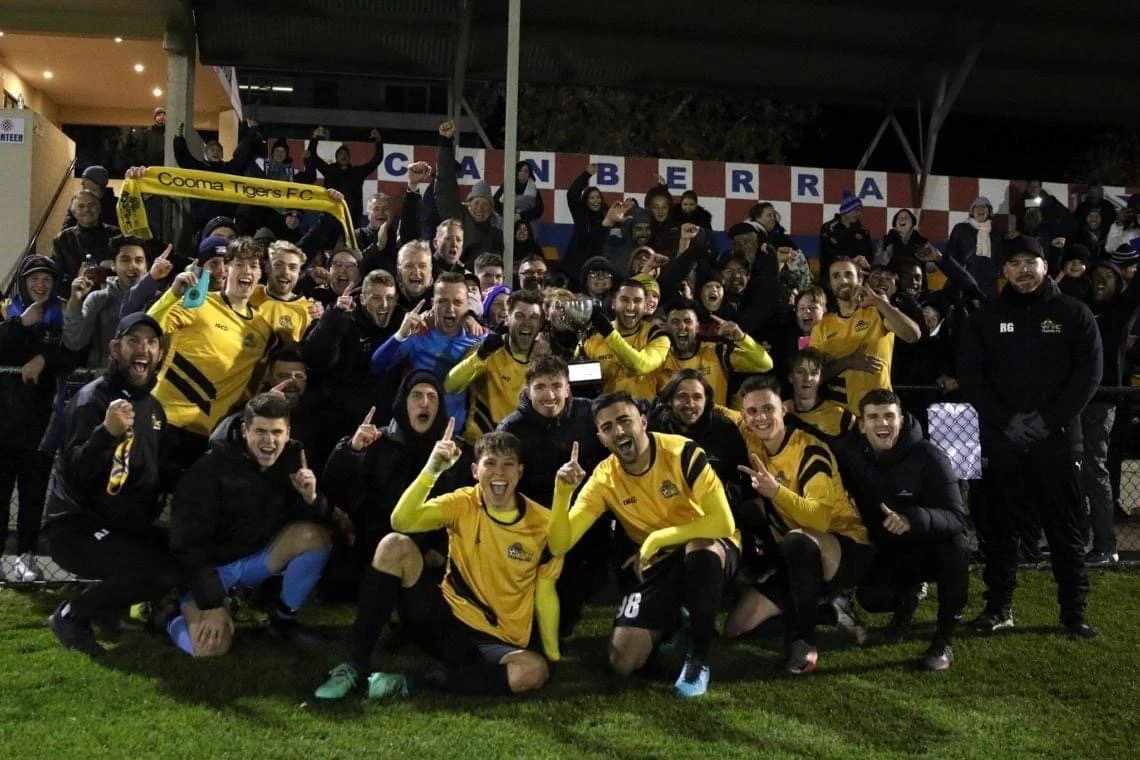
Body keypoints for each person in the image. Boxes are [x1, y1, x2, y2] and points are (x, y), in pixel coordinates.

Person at [315, 427, 560, 700]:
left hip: (499, 641)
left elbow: (546, 590)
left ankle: (411, 683)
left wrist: (552, 652)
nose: (499, 473)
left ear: (520, 472)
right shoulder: (464, 502)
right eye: (490, 463)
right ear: (475, 471)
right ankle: (354, 665)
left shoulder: (544, 523)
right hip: (445, 623)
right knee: (394, 544)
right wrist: (432, 469)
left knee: (533, 671)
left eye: (508, 465)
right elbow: (402, 521)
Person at [957, 237, 1102, 638]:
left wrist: (1047, 421)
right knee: (998, 531)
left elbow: (1088, 377)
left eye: (1030, 262)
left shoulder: (1075, 313)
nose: (1022, 270)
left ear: (1044, 265)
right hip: (1002, 441)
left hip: (1056, 441)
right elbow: (971, 377)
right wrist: (1007, 422)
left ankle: (1074, 613)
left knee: (1064, 531)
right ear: (1004, 270)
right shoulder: (985, 317)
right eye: (1014, 263)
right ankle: (999, 607)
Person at [550, 391, 739, 698]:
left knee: (700, 550)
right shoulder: (603, 479)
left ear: (643, 421)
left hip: (710, 546)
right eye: (608, 427)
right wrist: (562, 495)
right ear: (601, 438)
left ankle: (698, 658)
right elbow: (560, 544)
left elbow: (723, 523)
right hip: (657, 562)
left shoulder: (682, 452)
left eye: (625, 421)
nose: (619, 431)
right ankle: (676, 616)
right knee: (622, 661)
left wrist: (656, 538)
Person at [43, 313, 181, 655]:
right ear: (115, 348)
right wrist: (106, 434)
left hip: (120, 524)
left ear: (160, 354)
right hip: (76, 527)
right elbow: (75, 473)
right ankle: (70, 615)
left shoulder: (152, 407)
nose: (144, 349)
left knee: (183, 552)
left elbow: (154, 471)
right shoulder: (92, 400)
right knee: (158, 574)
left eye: (151, 342)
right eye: (134, 340)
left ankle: (109, 612)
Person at [723, 375, 873, 674]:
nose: (760, 417)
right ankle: (825, 608)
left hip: (844, 547)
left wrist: (775, 492)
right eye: (752, 411)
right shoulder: (753, 435)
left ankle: (805, 641)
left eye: (768, 409)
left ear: (784, 410)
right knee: (734, 629)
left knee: (798, 540)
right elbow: (721, 411)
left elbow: (818, 519)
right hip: (798, 556)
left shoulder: (810, 450)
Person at [167, 393, 334, 656]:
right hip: (212, 570)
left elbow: (316, 520)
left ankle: (282, 621)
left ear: (288, 432)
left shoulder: (291, 458)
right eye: (261, 431)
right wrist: (211, 603)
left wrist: (311, 498)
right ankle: (168, 617)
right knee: (209, 649)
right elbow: (187, 545)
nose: (270, 441)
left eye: (277, 432)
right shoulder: (209, 469)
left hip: (254, 562)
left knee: (317, 538)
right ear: (245, 430)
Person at [839, 390, 969, 671]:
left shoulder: (929, 455)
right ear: (861, 424)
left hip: (929, 546)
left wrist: (913, 519)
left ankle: (943, 639)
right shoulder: (852, 454)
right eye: (873, 417)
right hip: (890, 548)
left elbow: (957, 517)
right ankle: (906, 602)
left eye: (889, 416)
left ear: (901, 418)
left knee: (956, 548)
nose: (882, 424)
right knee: (872, 598)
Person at [497, 356, 609, 636]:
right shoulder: (511, 429)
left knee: (580, 593)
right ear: (527, 390)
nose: (550, 395)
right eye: (541, 387)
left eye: (557, 386)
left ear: (568, 388)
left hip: (587, 522)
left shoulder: (590, 413)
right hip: (534, 527)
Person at [149, 237, 276, 468]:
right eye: (239, 264)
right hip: (160, 420)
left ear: (260, 276)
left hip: (202, 436)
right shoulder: (199, 301)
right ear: (226, 269)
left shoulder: (264, 329)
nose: (246, 270)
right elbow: (150, 330)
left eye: (254, 265)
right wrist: (172, 295)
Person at [0, 256, 77, 582]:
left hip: (42, 425)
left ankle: (26, 556)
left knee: (33, 497)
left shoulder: (65, 315)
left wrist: (44, 357)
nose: (40, 285)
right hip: (3, 424)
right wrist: (21, 325)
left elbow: (76, 351)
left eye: (46, 279)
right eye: (34, 279)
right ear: (23, 282)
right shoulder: (10, 311)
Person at [302, 268, 402, 468]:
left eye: (389, 298)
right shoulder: (343, 319)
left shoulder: (402, 321)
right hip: (339, 429)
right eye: (376, 298)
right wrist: (333, 318)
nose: (384, 304)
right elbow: (315, 359)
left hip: (382, 430)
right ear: (363, 299)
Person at [370, 273, 483, 429]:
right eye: (442, 301)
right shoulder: (418, 334)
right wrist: (400, 335)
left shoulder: (478, 338)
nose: (450, 308)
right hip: (415, 433)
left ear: (467, 306)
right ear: (432, 304)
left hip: (456, 436)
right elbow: (377, 366)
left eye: (457, 302)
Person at [811, 257, 921, 414]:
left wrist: (879, 301)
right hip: (840, 416)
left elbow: (913, 335)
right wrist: (847, 362)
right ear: (830, 283)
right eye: (836, 276)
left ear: (860, 279)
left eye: (848, 274)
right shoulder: (822, 327)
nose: (843, 280)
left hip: (879, 412)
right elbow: (813, 377)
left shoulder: (877, 312)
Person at [446, 290, 543, 439]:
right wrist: (481, 355)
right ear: (508, 319)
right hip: (483, 446)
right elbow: (450, 385)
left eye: (534, 317)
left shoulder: (545, 356)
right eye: (519, 316)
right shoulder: (488, 349)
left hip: (524, 446)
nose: (527, 323)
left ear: (541, 323)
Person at [655, 301, 773, 407]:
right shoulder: (658, 357)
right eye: (675, 322)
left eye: (687, 321)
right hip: (670, 429)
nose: (682, 326)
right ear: (666, 328)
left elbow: (764, 364)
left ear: (697, 327)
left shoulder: (717, 351)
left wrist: (741, 338)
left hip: (713, 427)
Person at [63, 236, 153, 367]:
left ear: (146, 267)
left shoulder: (157, 300)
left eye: (138, 260)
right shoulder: (97, 299)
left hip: (145, 378)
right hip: (104, 378)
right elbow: (74, 342)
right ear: (113, 265)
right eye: (125, 260)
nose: (132, 265)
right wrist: (75, 300)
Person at [582, 279, 672, 398]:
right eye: (624, 300)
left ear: (645, 305)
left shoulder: (657, 336)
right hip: (605, 412)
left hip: (643, 413)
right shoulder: (594, 337)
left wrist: (609, 333)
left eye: (637, 301)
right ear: (614, 303)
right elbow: (581, 381)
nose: (630, 307)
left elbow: (641, 365)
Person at [434, 120, 504, 262]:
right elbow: (445, 183)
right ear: (468, 203)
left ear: (491, 211)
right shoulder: (456, 217)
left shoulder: (495, 234)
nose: (480, 208)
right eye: (477, 202)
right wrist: (446, 142)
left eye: (486, 205)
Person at [305, 126, 384, 224]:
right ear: (336, 158)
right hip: (330, 215)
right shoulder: (329, 170)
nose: (344, 156)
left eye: (346, 154)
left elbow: (377, 159)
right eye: (340, 154)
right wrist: (315, 137)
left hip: (352, 218)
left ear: (350, 158)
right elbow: (312, 155)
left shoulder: (358, 172)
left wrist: (378, 140)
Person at [52, 190, 120, 294]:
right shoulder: (62, 239)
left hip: (110, 296)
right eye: (81, 206)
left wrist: (106, 272)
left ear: (99, 209)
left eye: (91, 205)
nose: (87, 209)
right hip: (74, 297)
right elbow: (56, 275)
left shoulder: (117, 235)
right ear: (74, 213)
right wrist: (77, 279)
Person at [785, 348, 856, 444]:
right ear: (790, 377)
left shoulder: (842, 417)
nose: (807, 378)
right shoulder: (780, 412)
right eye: (800, 372)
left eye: (814, 373)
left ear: (820, 379)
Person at [945, 197, 1006, 301]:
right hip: (965, 280)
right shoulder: (961, 228)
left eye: (984, 207)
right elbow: (950, 253)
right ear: (972, 212)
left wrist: (995, 271)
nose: (980, 209)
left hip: (988, 284)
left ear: (989, 212)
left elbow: (1000, 256)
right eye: (976, 207)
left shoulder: (996, 232)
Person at [819, 190, 874, 282]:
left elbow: (870, 255)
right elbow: (829, 254)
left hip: (858, 275)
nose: (859, 214)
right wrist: (851, 261)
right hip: (833, 274)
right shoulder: (828, 228)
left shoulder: (863, 231)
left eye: (860, 211)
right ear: (846, 210)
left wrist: (864, 261)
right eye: (856, 210)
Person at [493, 160, 545, 240]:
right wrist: (510, 214)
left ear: (529, 174)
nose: (523, 174)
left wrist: (521, 215)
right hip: (506, 220)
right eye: (520, 171)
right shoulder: (506, 186)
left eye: (526, 171)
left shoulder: (533, 190)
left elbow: (539, 209)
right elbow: (495, 203)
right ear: (516, 172)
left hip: (525, 222)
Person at [62, 166, 119, 231]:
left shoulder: (117, 205)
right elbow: (66, 229)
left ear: (96, 183)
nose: (82, 183)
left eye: (85, 179)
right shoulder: (77, 202)